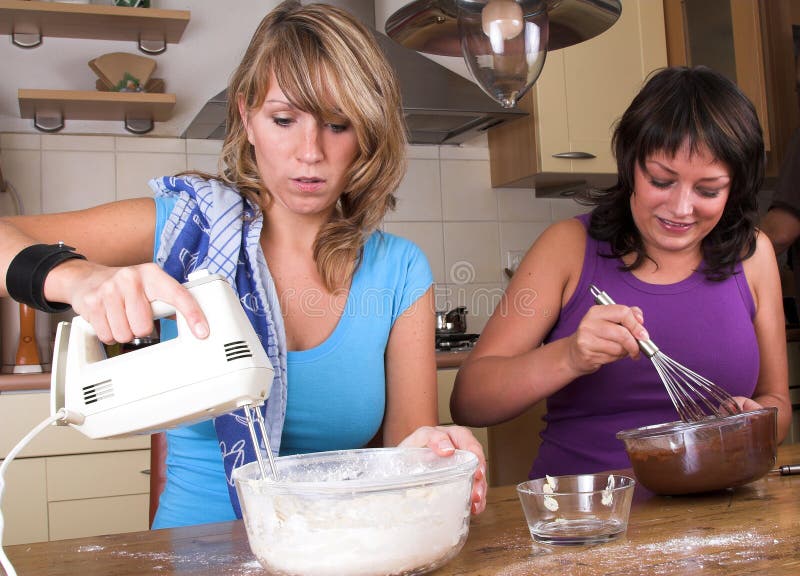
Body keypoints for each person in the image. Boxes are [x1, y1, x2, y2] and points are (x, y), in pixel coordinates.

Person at [0, 1, 486, 527]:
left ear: (367, 134)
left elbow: (405, 457)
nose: (310, 152)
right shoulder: (183, 230)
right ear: (246, 118)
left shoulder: (400, 272)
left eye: (339, 124)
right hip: (193, 556)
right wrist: (79, 277)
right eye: (283, 119)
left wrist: (435, 454)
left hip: (339, 552)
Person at [451, 66, 791, 479]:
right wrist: (571, 355)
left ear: (734, 187)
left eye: (708, 190)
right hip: (587, 520)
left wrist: (754, 421)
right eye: (662, 180)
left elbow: (775, 400)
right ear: (631, 165)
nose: (681, 208)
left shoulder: (752, 254)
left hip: (718, 513)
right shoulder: (568, 247)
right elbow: (470, 400)